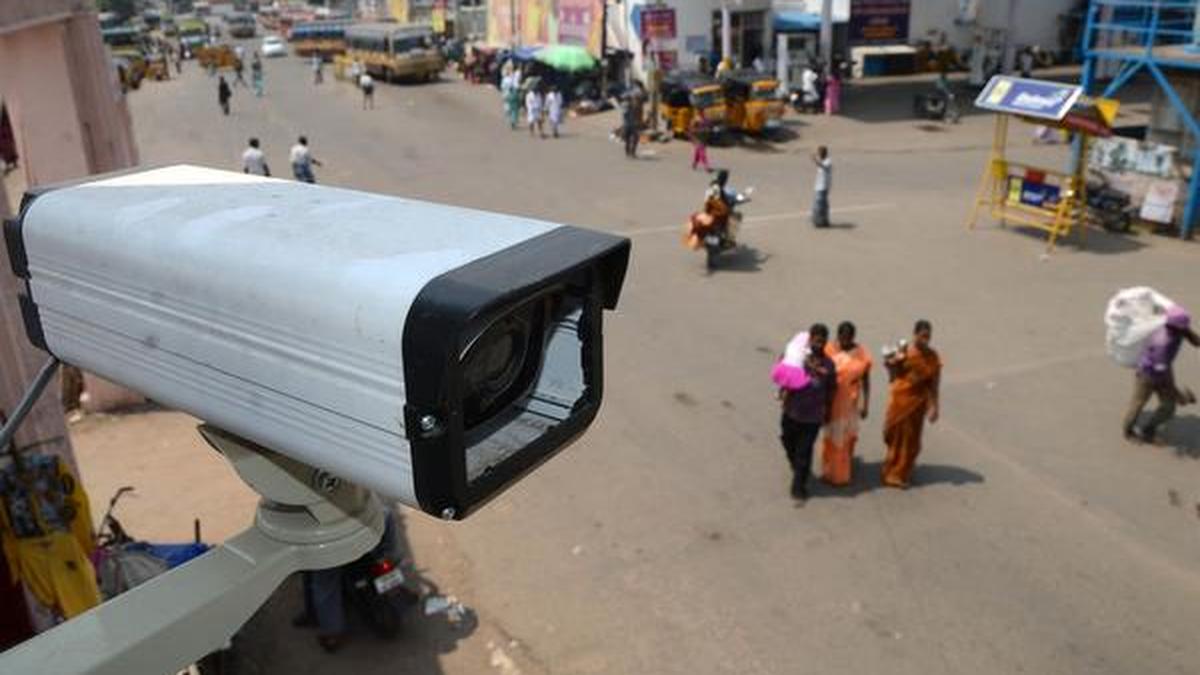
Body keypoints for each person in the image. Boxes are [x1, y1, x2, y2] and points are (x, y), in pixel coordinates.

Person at [294, 510, 398, 652]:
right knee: (386, 519)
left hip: (333, 539)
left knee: (324, 581)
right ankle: (394, 582)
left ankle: (332, 631)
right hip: (361, 528)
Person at [1123, 306, 1200, 443]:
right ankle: (1128, 431)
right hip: (1148, 375)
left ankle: (1148, 430)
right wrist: (1176, 394)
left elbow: (1194, 339)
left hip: (1164, 368)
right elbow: (1161, 375)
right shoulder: (1162, 343)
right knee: (1138, 404)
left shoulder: (1177, 328)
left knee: (1169, 408)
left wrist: (1191, 335)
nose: (1185, 329)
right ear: (1174, 327)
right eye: (1183, 327)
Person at [779, 324, 837, 501]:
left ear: (826, 342)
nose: (819, 343)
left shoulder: (829, 364)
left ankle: (799, 487)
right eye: (816, 339)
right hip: (791, 411)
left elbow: (831, 389)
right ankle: (797, 465)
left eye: (822, 340)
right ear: (810, 339)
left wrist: (828, 410)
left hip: (812, 417)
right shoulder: (798, 356)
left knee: (804, 452)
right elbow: (784, 369)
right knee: (787, 441)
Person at [881, 320, 941, 489]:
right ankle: (891, 471)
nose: (925, 340)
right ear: (915, 334)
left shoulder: (933, 357)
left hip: (917, 404)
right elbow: (893, 376)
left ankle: (901, 473)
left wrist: (934, 406)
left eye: (928, 336)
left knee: (911, 440)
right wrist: (891, 363)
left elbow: (934, 384)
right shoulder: (904, 352)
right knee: (894, 437)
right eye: (922, 336)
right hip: (900, 400)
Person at [821, 322, 871, 486]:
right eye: (842, 337)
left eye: (848, 338)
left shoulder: (861, 354)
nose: (844, 341)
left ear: (853, 337)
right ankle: (829, 470)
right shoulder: (828, 350)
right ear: (838, 335)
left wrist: (866, 404)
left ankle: (840, 475)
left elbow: (865, 380)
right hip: (832, 400)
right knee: (832, 437)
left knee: (845, 438)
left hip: (849, 402)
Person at [811, 146, 832, 227]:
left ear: (824, 153)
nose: (819, 154)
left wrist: (815, 160)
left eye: (820, 153)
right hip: (819, 187)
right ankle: (822, 220)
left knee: (819, 204)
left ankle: (820, 221)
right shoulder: (823, 161)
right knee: (822, 204)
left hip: (823, 187)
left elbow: (823, 166)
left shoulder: (828, 161)